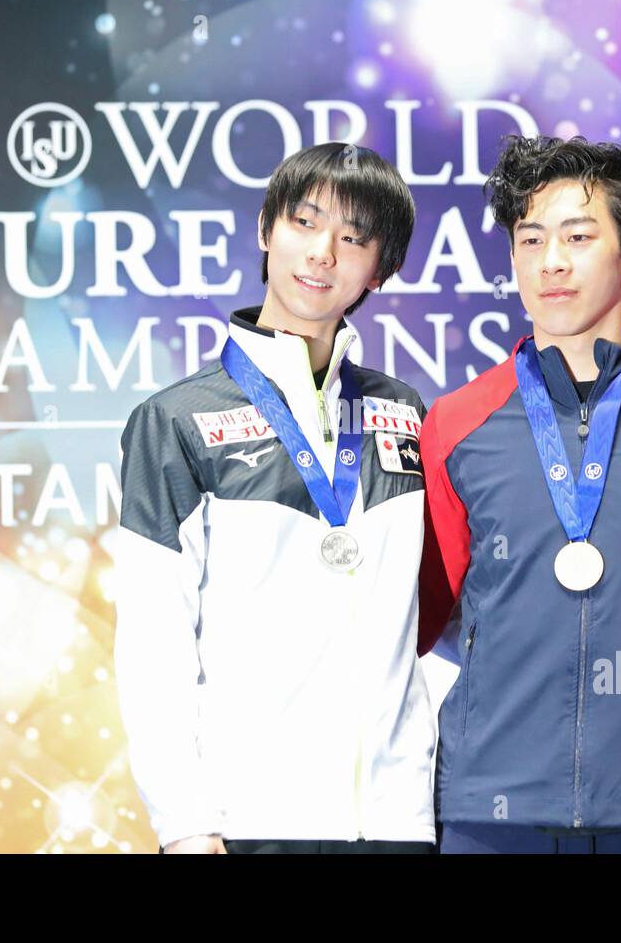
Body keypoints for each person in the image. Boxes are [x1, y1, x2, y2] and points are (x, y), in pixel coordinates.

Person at [418, 135, 621, 854]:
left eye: (578, 235)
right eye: (530, 238)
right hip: (490, 814)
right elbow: (423, 616)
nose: (551, 262)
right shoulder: (455, 422)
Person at [113, 142, 436, 854]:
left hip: (398, 825)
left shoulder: (405, 413)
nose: (322, 253)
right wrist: (187, 823)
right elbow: (152, 646)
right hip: (248, 825)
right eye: (304, 222)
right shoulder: (176, 421)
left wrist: (424, 782)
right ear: (266, 230)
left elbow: (435, 616)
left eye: (353, 238)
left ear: (379, 269)